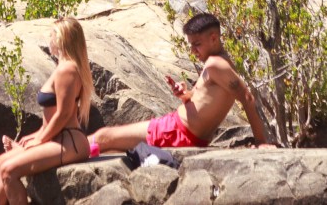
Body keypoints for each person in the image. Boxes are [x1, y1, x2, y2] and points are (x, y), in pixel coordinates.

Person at [89, 12, 273, 152]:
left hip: (175, 131)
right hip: (180, 131)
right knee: (112, 142)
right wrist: (185, 95)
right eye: (191, 44)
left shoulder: (216, 64)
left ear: (214, 38)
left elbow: (247, 98)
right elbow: (206, 100)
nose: (193, 50)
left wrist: (261, 141)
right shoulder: (220, 62)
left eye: (197, 44)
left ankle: (69, 153)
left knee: (106, 136)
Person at [0, 17, 94, 205]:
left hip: (69, 142)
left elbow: (64, 113)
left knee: (8, 171)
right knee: (0, 163)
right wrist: (34, 136)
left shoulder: (68, 70)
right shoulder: (62, 68)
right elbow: (53, 116)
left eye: (52, 35)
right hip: (57, 138)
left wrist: (40, 140)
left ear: (62, 38)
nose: (49, 40)